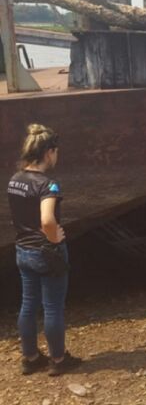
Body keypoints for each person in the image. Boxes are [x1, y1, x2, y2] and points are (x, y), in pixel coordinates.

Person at [7, 124, 81, 377]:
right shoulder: (48, 185)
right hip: (46, 253)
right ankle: (58, 360)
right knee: (52, 307)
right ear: (49, 152)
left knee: (28, 305)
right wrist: (54, 237)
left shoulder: (15, 180)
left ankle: (30, 357)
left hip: (23, 250)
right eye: (55, 152)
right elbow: (47, 219)